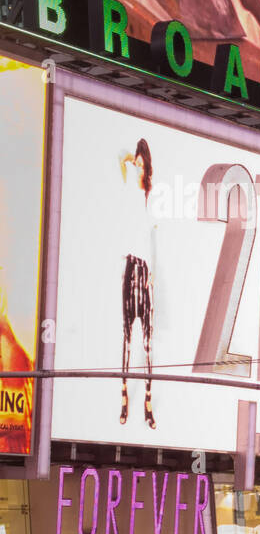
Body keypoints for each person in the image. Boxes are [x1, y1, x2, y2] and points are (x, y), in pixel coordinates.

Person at [118, 137, 158, 429]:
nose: (139, 170)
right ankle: (123, 396)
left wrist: (153, 271)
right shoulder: (129, 188)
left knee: (147, 341)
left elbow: (152, 237)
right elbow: (120, 156)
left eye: (143, 166)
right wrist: (133, 160)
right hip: (130, 265)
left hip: (145, 269)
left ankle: (147, 400)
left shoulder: (151, 197)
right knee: (127, 337)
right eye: (138, 165)